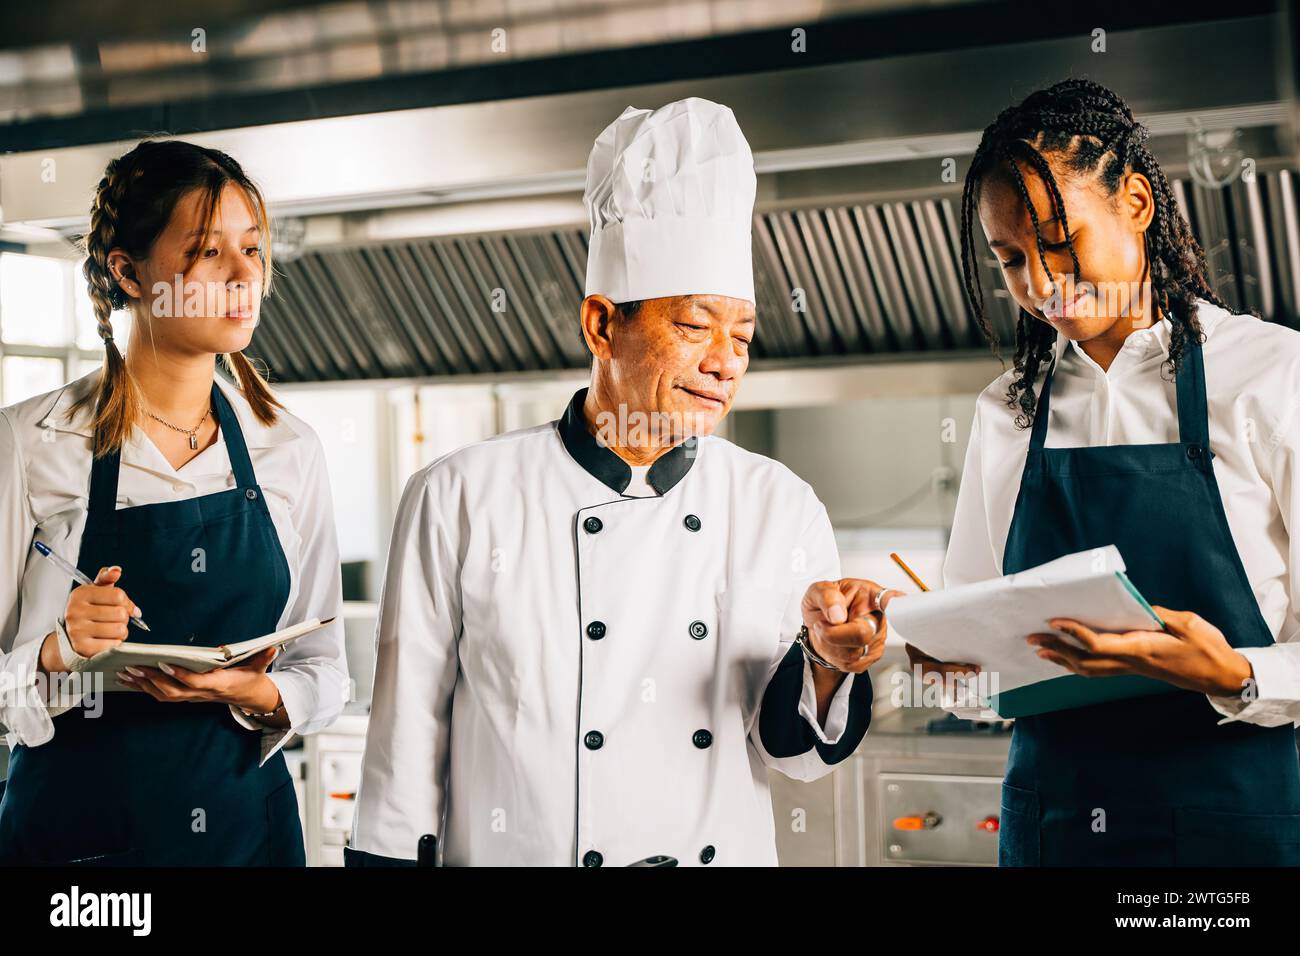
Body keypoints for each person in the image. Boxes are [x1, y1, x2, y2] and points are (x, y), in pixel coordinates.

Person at [347, 97, 892, 867]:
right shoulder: (460, 496)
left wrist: (830, 660)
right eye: (697, 327)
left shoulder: (778, 504)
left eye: (743, 336)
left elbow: (793, 754)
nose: (726, 362)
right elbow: (404, 747)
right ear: (603, 325)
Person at [916, 78, 1300, 865]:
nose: (1040, 282)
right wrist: (939, 663)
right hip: (1051, 826)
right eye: (1012, 259)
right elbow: (979, 671)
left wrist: (1231, 671)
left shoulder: (1271, 375)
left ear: (1135, 201)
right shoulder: (1007, 410)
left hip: (1230, 823)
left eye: (1061, 241)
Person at [0, 140, 348, 865]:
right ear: (129, 272)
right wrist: (58, 651)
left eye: (252, 249)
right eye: (207, 250)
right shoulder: (32, 442)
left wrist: (254, 691)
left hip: (247, 835)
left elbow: (325, 669)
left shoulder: (289, 448)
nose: (243, 273)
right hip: (80, 849)